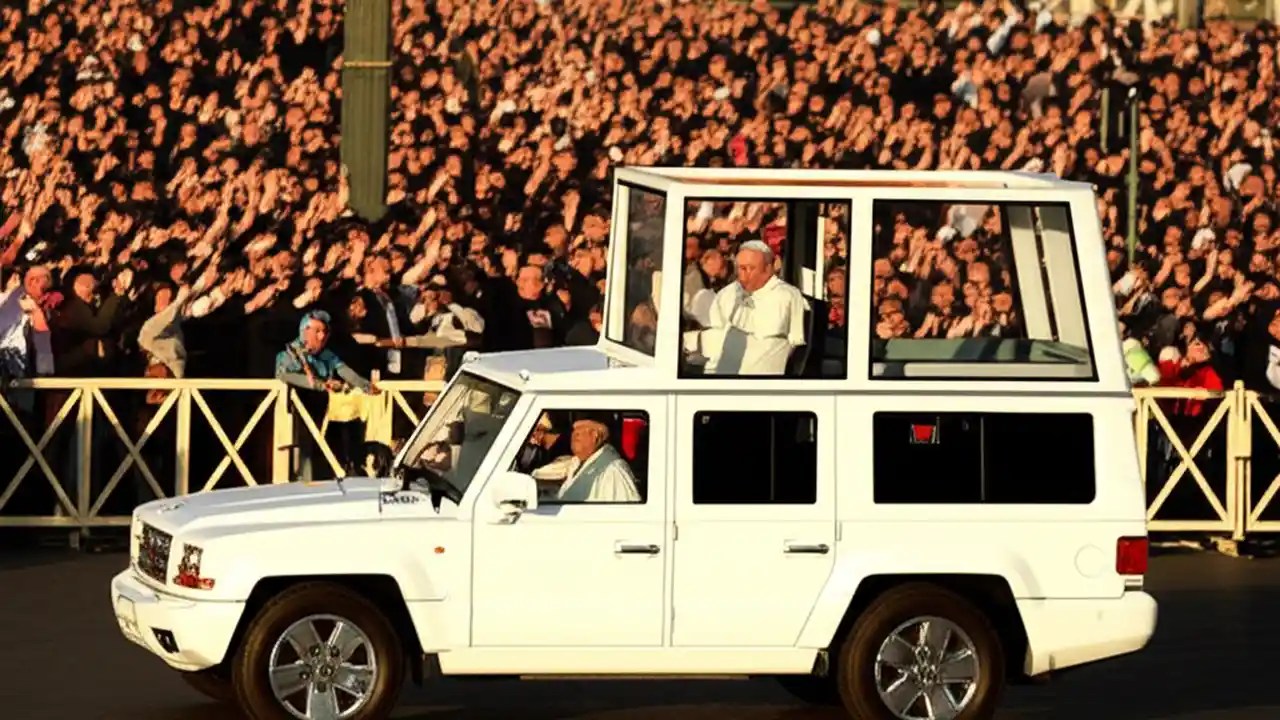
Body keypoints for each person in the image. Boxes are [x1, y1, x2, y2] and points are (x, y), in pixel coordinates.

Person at [275, 309, 379, 479]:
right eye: (317, 331)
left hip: (321, 411)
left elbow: (344, 370)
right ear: (304, 331)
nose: (321, 336)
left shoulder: (327, 355)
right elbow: (284, 375)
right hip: (294, 411)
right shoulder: (289, 355)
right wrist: (321, 385)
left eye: (324, 331)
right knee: (300, 454)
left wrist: (365, 385)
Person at [686, 240, 807, 375]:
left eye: (750, 268)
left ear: (768, 268)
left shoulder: (789, 296)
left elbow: (796, 346)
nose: (744, 275)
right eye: (741, 268)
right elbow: (716, 337)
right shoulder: (726, 294)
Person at [533, 418, 641, 503]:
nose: (574, 434)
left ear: (595, 435)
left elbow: (626, 517)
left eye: (580, 430)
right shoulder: (576, 463)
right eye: (574, 430)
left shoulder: (613, 471)